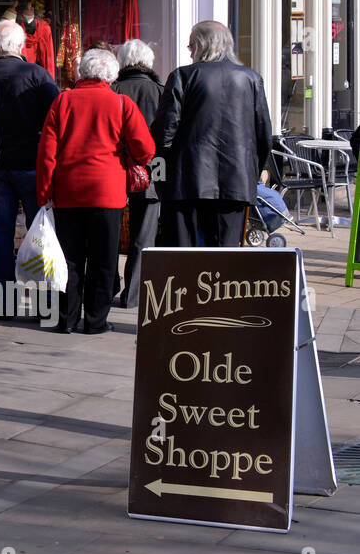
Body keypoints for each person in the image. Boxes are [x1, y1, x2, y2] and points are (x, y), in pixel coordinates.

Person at [36, 46, 154, 334]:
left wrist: (44, 192)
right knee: (103, 259)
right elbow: (146, 150)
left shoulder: (63, 101)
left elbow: (47, 153)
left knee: (69, 259)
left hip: (68, 192)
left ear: (83, 72)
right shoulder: (122, 104)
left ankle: (66, 319)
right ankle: (96, 321)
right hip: (108, 193)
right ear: (111, 75)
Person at [152, 20, 273, 247]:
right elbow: (263, 133)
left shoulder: (182, 76)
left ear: (200, 45)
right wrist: (256, 170)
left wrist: (160, 176)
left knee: (183, 254)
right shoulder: (251, 78)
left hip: (186, 182)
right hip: (235, 181)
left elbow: (165, 132)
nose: (189, 54)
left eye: (190, 47)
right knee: (223, 257)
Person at [0, 19, 59, 312]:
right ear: (20, 45)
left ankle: (6, 303)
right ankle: (45, 303)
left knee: (1, 234)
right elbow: (56, 117)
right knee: (42, 234)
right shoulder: (37, 74)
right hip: (32, 163)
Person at [113, 39, 163, 308]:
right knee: (143, 234)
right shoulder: (160, 91)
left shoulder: (113, 89)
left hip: (113, 171)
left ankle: (109, 285)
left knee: (110, 232)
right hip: (152, 171)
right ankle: (133, 294)